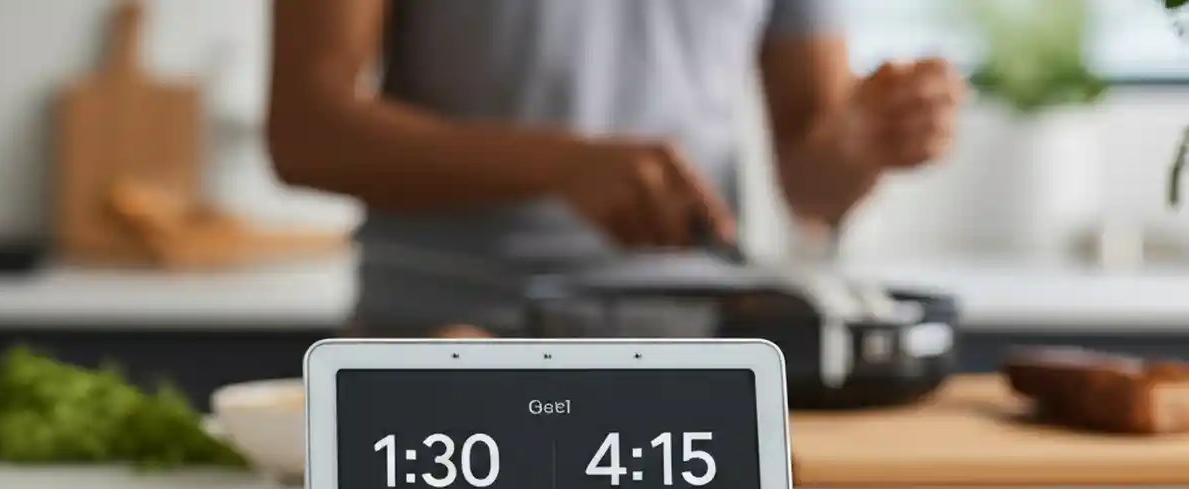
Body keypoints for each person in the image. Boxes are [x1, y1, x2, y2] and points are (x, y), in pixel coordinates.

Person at [268, 0, 965, 336]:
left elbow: (811, 181)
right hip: (445, 338)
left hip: (686, 353)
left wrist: (863, 142)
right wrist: (559, 165)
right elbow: (305, 127)